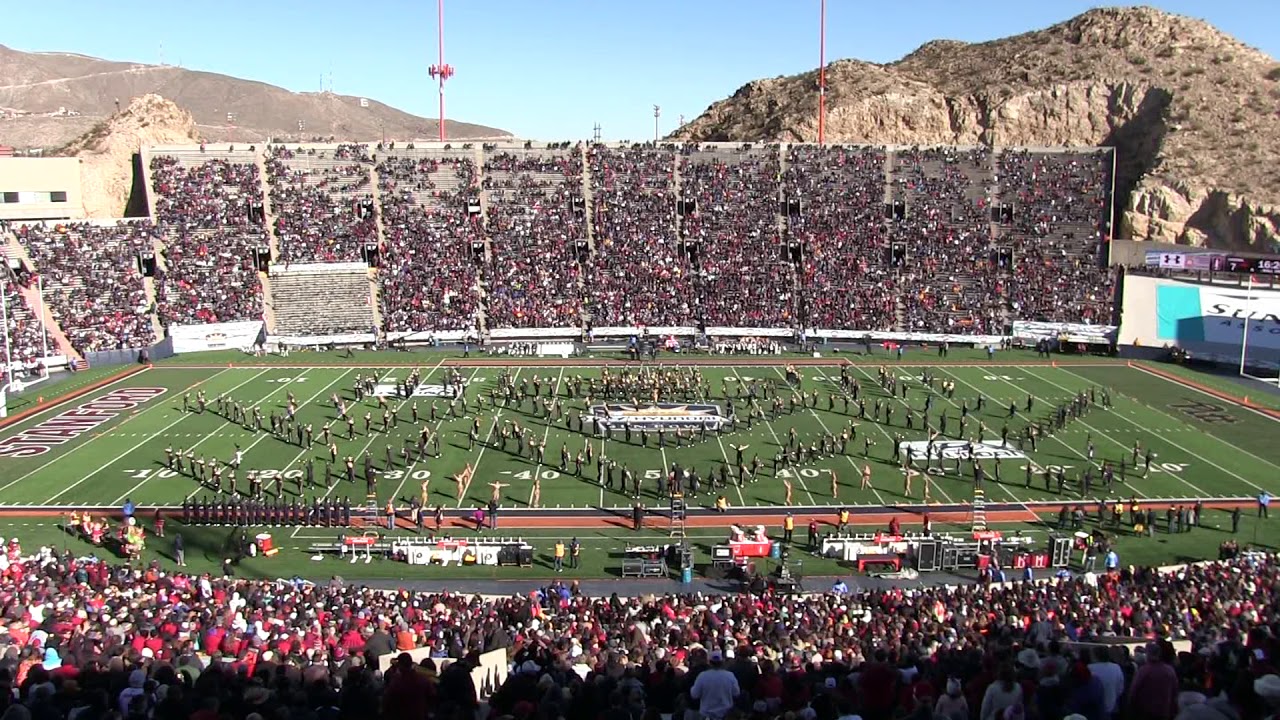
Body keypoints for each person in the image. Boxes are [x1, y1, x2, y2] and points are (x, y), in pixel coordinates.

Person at [690, 650, 740, 720]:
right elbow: (736, 693)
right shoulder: (730, 676)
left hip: (707, 714)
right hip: (725, 714)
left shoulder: (703, 676)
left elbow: (694, 695)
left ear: (709, 662)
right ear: (722, 662)